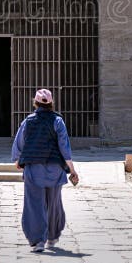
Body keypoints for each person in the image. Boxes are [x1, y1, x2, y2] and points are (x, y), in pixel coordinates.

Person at [11, 88, 79, 253]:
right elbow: (64, 147)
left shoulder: (29, 121)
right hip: (55, 169)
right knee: (54, 203)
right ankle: (52, 237)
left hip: (34, 169)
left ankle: (38, 241)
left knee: (34, 204)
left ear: (35, 103)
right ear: (51, 103)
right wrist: (72, 169)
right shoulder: (58, 121)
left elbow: (19, 142)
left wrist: (18, 160)